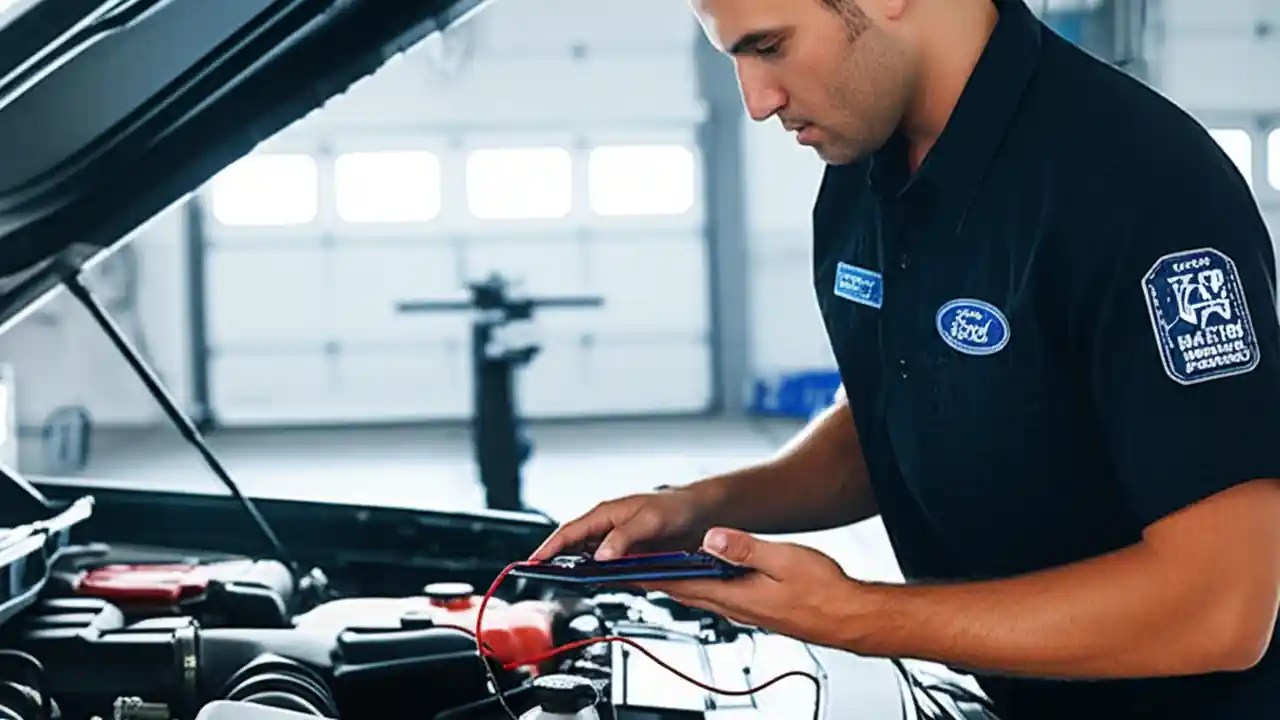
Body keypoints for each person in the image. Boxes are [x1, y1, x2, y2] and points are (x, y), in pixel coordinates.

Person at [532, 0, 1280, 717]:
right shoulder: (863, 170)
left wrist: (854, 614)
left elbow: (1221, 609)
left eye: (769, 46)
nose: (757, 101)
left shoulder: (1144, 188)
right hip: (1010, 696)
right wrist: (701, 509)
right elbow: (914, 408)